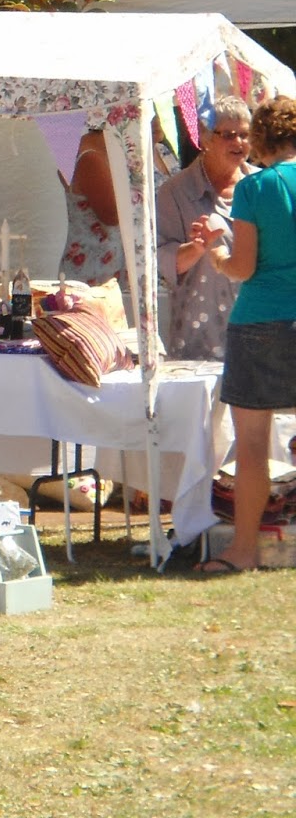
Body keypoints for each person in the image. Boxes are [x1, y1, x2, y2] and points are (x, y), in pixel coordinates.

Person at [197, 96, 296, 572]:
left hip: (261, 321)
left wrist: (216, 254)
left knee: (253, 445)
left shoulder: (257, 187)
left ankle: (242, 552)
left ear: (260, 139)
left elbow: (243, 266)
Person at [155, 97, 253, 360]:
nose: (239, 143)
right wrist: (197, 247)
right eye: (229, 135)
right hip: (200, 342)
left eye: (245, 135)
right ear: (205, 138)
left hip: (260, 334)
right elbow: (163, 263)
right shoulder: (174, 192)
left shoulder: (262, 186)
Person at [59, 125, 123, 284]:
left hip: (105, 265)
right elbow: (111, 215)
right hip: (95, 269)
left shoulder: (106, 149)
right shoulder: (90, 156)